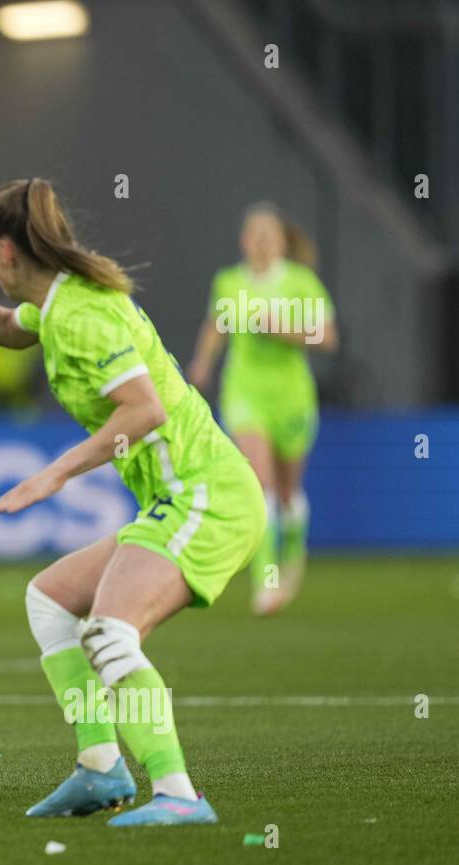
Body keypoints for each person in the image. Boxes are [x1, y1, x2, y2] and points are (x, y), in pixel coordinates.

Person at [0, 178, 266, 826]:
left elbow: (145, 409)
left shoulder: (81, 315)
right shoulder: (56, 306)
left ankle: (178, 794)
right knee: (51, 599)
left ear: (4, 252)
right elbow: (2, 325)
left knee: (111, 635)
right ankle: (100, 767)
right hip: (178, 497)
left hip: (207, 493)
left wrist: (53, 475)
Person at [187, 203, 338, 614]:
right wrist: (202, 364)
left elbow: (327, 337)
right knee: (262, 486)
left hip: (291, 396)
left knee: (288, 494)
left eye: (268, 235)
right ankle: (265, 582)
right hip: (244, 392)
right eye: (254, 235)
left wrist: (283, 330)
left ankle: (293, 552)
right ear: (243, 241)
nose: (260, 242)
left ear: (282, 243)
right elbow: (216, 326)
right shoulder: (229, 282)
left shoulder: (300, 283)